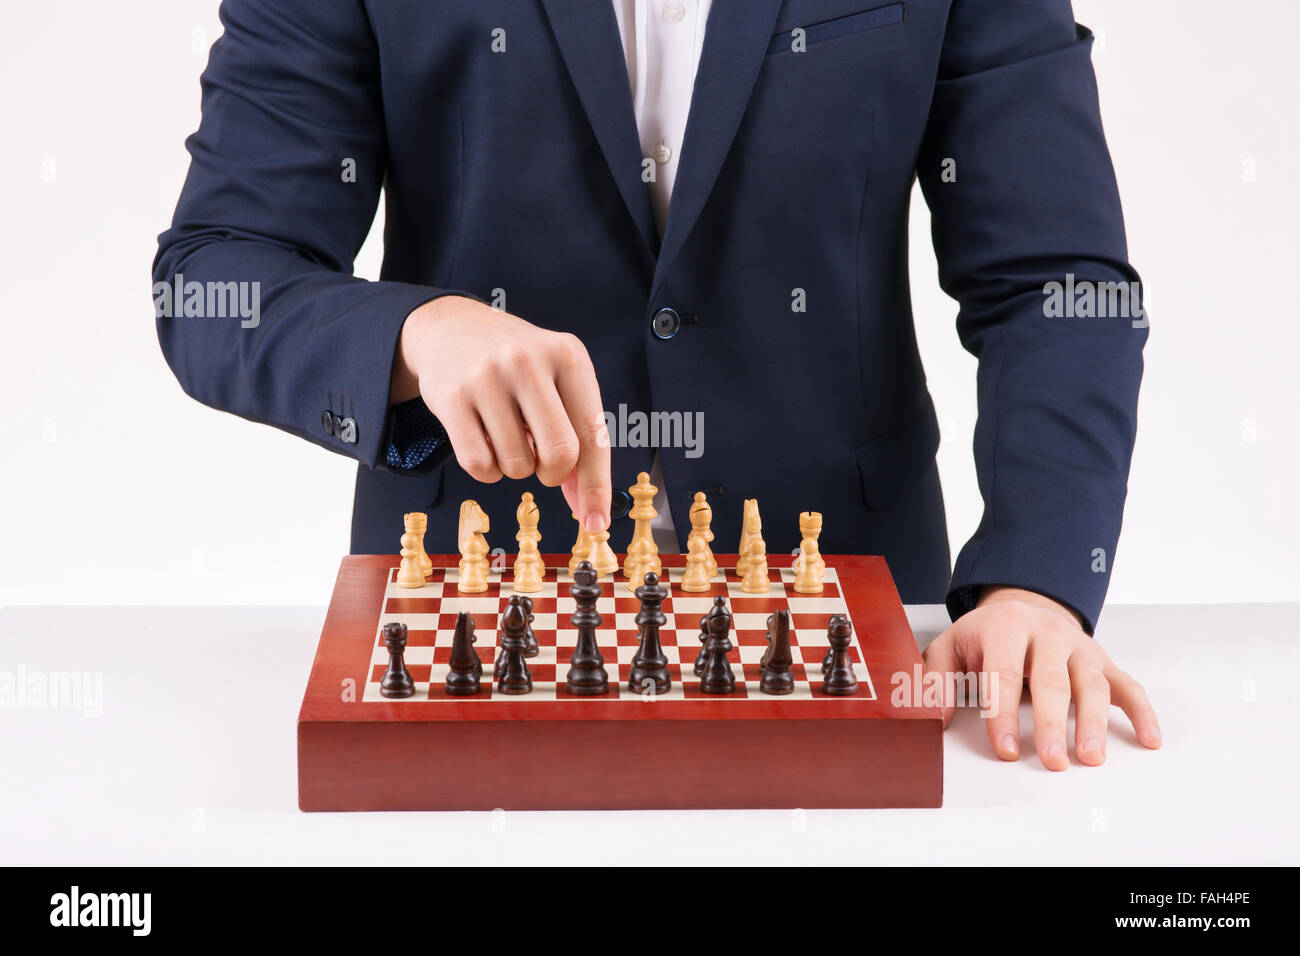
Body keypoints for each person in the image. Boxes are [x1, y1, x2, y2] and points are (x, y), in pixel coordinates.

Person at [154, 0, 1160, 769]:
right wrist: (410, 331)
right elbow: (215, 274)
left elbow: (1052, 280)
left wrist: (1035, 579)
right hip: (472, 627)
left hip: (854, 624)